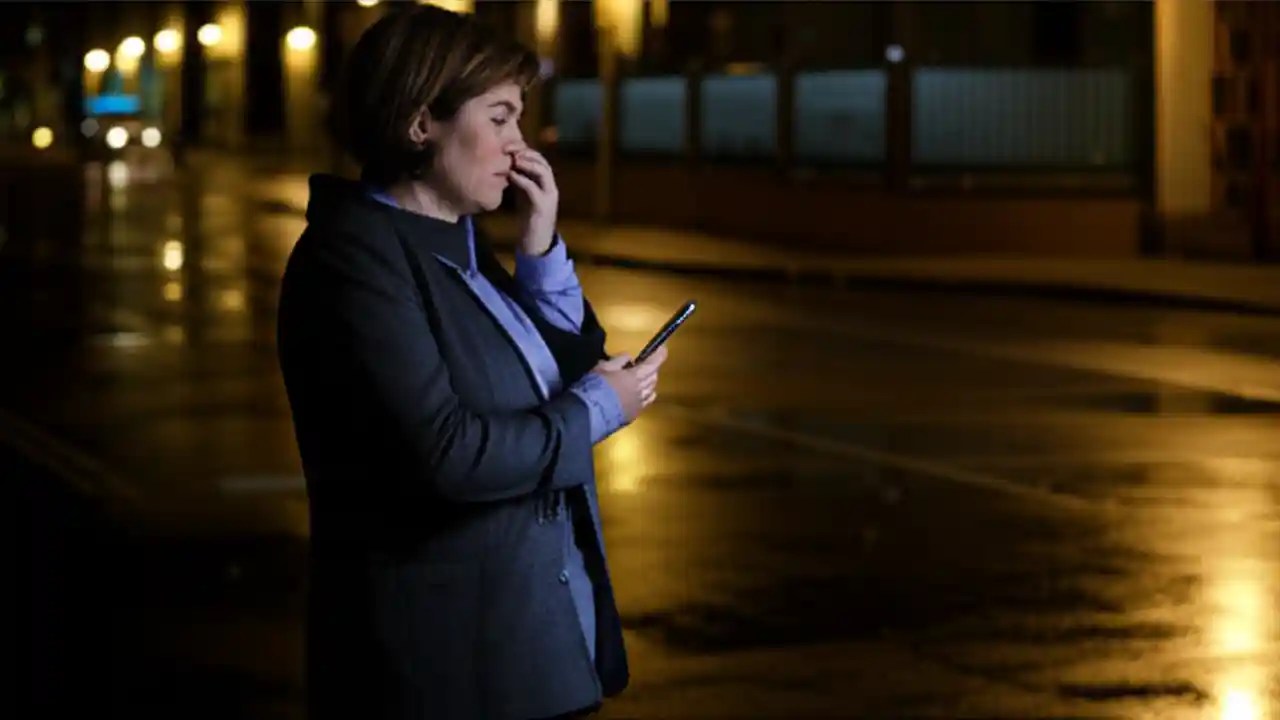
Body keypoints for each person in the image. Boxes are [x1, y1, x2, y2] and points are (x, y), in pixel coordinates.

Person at [275, 6, 668, 720]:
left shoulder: (455, 242)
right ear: (421, 122)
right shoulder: (354, 258)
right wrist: (600, 409)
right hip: (447, 670)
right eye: (500, 118)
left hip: (534, 648)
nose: (522, 147)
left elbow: (558, 375)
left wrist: (541, 249)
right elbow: (447, 455)